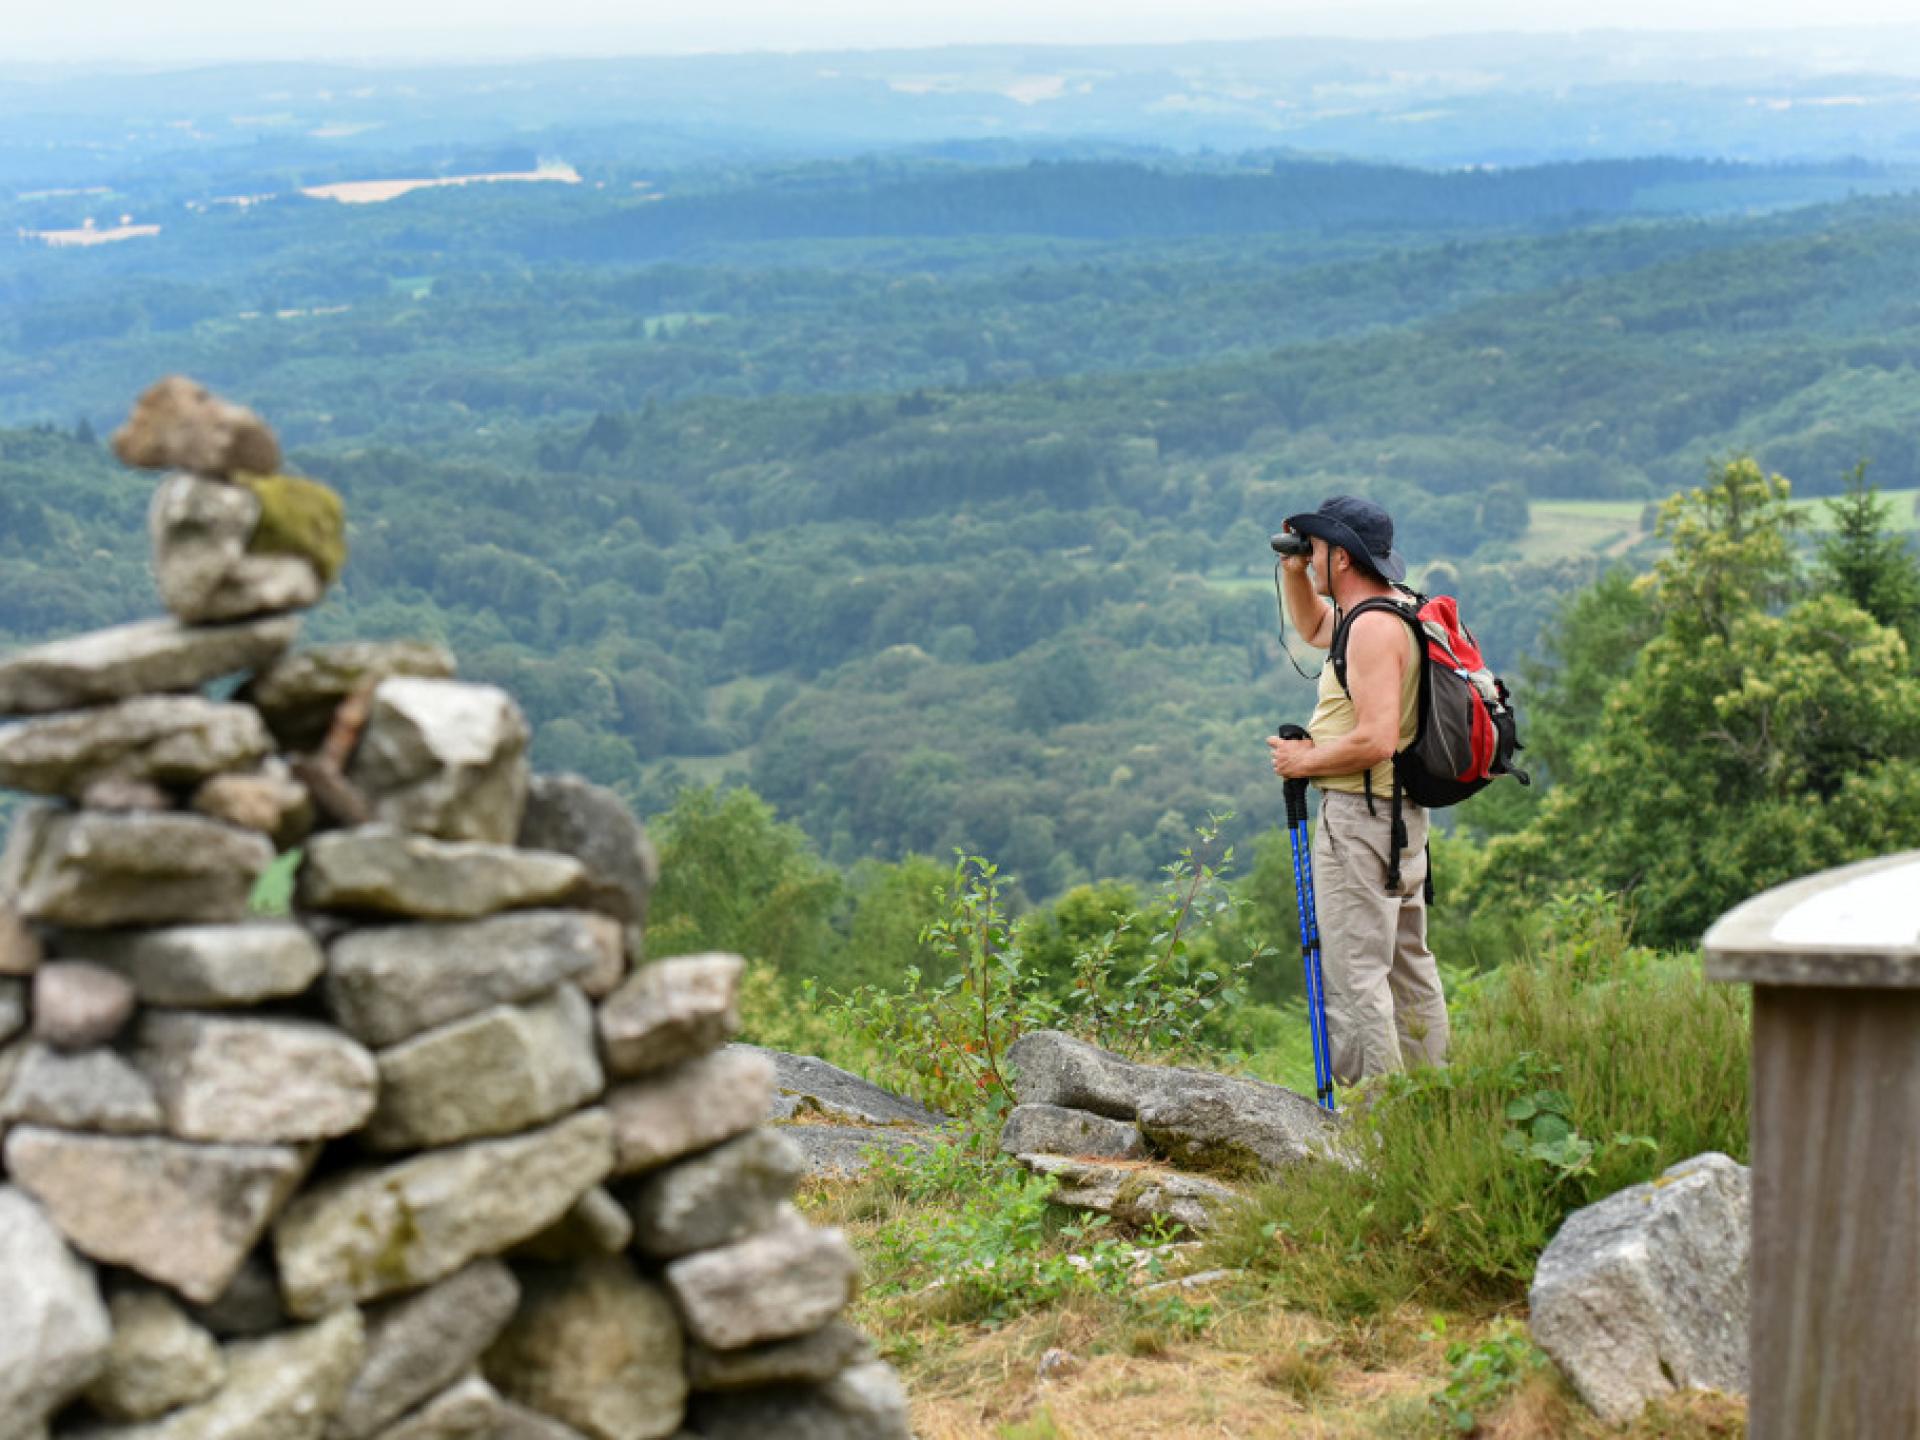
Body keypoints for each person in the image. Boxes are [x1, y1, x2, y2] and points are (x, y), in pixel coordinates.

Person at [1265, 496, 1449, 1085]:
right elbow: (1316, 626)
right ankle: (1435, 1105)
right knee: (1408, 970)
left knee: (1354, 976)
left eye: (1315, 549)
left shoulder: (1370, 629)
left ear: (1341, 556)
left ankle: (1380, 1130)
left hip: (1360, 816)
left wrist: (1305, 760)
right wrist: (1296, 574)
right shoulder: (1393, 607)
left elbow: (1374, 739)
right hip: (1398, 817)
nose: (1309, 556)